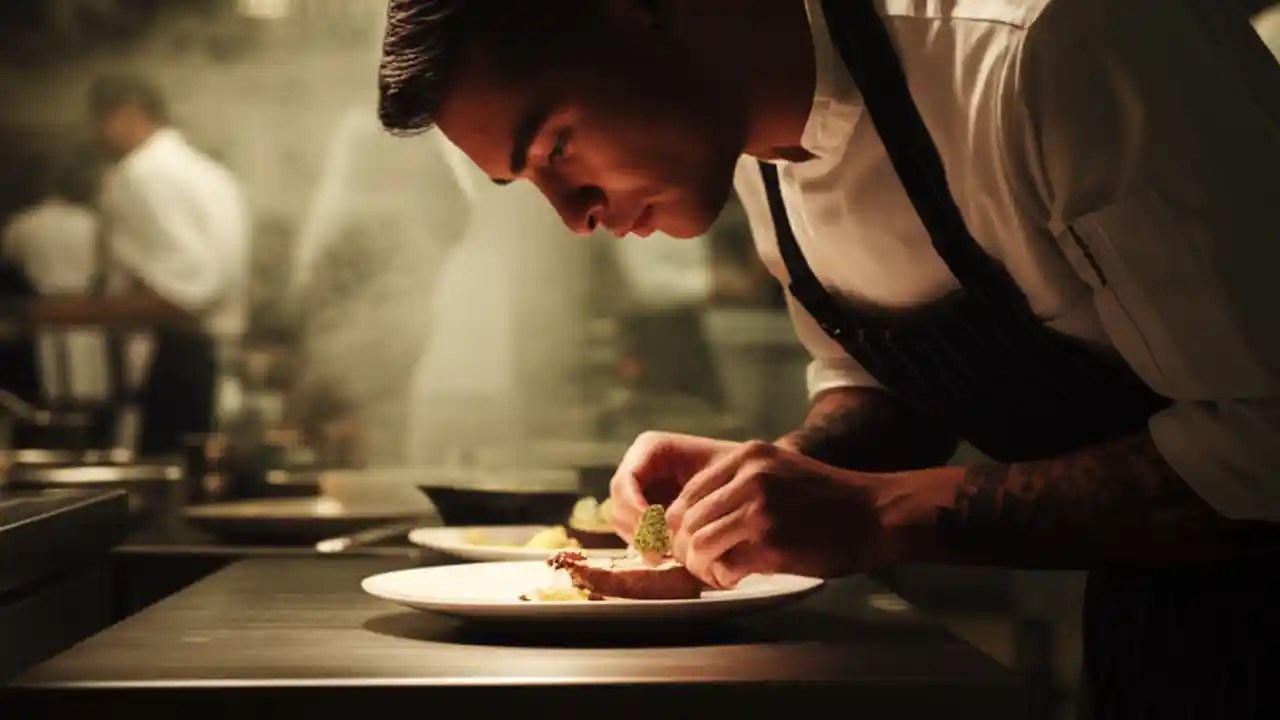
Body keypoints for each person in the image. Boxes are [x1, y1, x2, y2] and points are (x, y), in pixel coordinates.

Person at [376, 1, 1280, 716]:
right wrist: (775, 480)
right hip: (1161, 620)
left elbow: (1265, 443)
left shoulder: (1053, 45)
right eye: (526, 181)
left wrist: (878, 513)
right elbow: (888, 387)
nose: (574, 217)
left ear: (646, 11)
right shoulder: (754, 145)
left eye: (556, 148)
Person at [36, 74, 250, 456]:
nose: (96, 135)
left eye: (100, 121)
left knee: (161, 497)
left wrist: (64, 313)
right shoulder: (210, 173)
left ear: (127, 114)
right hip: (211, 365)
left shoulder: (142, 174)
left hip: (174, 366)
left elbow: (183, 294)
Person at [1, 153, 112, 436]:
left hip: (47, 311)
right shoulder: (92, 223)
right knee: (85, 395)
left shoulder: (22, 223)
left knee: (45, 397)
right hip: (83, 312)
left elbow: (10, 264)